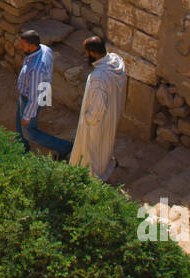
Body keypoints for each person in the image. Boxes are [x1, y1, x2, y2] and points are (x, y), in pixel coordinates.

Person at [69, 36, 127, 181]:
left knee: (92, 152)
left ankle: (92, 178)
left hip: (97, 123)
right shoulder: (115, 61)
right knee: (104, 147)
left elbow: (97, 109)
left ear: (92, 53)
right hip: (111, 115)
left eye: (87, 52)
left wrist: (88, 120)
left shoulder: (99, 77)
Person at [15, 29, 71, 160]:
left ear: (32, 45)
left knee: (29, 132)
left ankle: (64, 147)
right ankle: (21, 148)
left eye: (23, 45)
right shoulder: (44, 49)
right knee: (19, 122)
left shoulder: (37, 69)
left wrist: (27, 116)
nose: (20, 47)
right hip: (38, 91)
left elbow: (35, 97)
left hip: (32, 97)